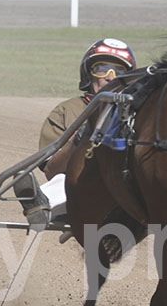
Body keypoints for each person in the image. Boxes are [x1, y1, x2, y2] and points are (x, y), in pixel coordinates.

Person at [16, 38, 137, 228]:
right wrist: (79, 139)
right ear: (88, 74)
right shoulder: (67, 111)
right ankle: (41, 205)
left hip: (123, 191)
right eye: (102, 68)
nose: (111, 76)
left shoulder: (138, 113)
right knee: (67, 180)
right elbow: (52, 170)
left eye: (119, 71)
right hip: (81, 188)